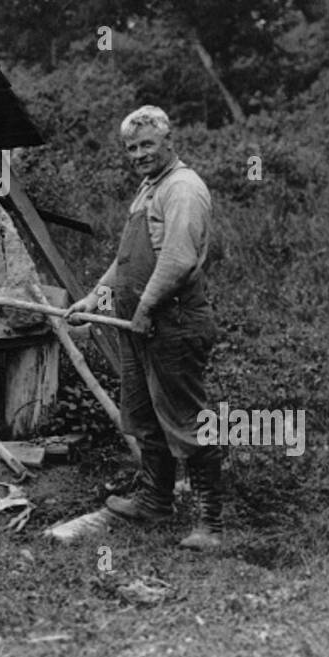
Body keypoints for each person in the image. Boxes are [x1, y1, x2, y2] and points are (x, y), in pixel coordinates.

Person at [66, 105, 224, 550]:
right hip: (140, 325)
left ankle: (210, 524)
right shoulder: (148, 189)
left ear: (169, 141)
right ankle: (155, 500)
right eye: (132, 148)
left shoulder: (183, 189)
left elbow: (178, 259)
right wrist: (92, 298)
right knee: (144, 413)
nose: (139, 154)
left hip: (172, 322)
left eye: (147, 144)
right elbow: (125, 262)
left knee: (186, 418)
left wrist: (147, 307)